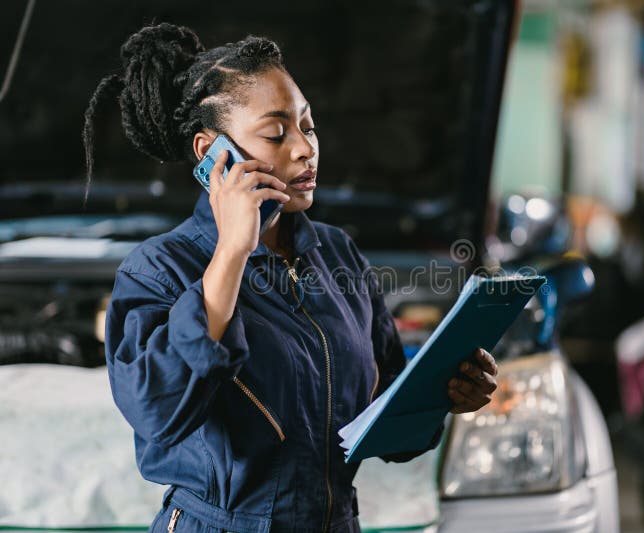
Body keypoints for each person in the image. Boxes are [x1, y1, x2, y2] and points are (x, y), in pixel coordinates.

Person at [84, 23, 499, 533]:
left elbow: (383, 411)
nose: (305, 148)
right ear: (210, 152)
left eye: (309, 126)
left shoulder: (337, 253)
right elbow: (158, 411)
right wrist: (233, 251)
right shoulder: (159, 268)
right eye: (276, 133)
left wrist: (444, 395)